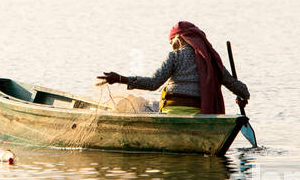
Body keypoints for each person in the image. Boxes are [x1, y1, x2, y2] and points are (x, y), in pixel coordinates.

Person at [98, 21, 250, 115]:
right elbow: (239, 88)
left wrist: (120, 79)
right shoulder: (210, 61)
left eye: (171, 41)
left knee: (138, 106)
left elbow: (153, 84)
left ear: (178, 38)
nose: (171, 45)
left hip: (172, 111)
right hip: (200, 112)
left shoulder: (175, 57)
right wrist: (242, 97)